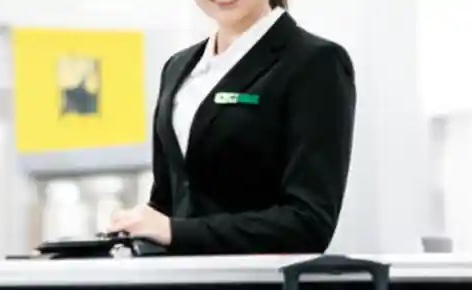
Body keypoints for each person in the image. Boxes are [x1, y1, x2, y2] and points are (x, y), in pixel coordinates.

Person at [109, 0, 357, 254]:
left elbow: (309, 223)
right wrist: (135, 229)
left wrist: (175, 231)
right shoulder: (178, 67)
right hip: (181, 283)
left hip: (258, 286)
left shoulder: (315, 62)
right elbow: (167, 203)